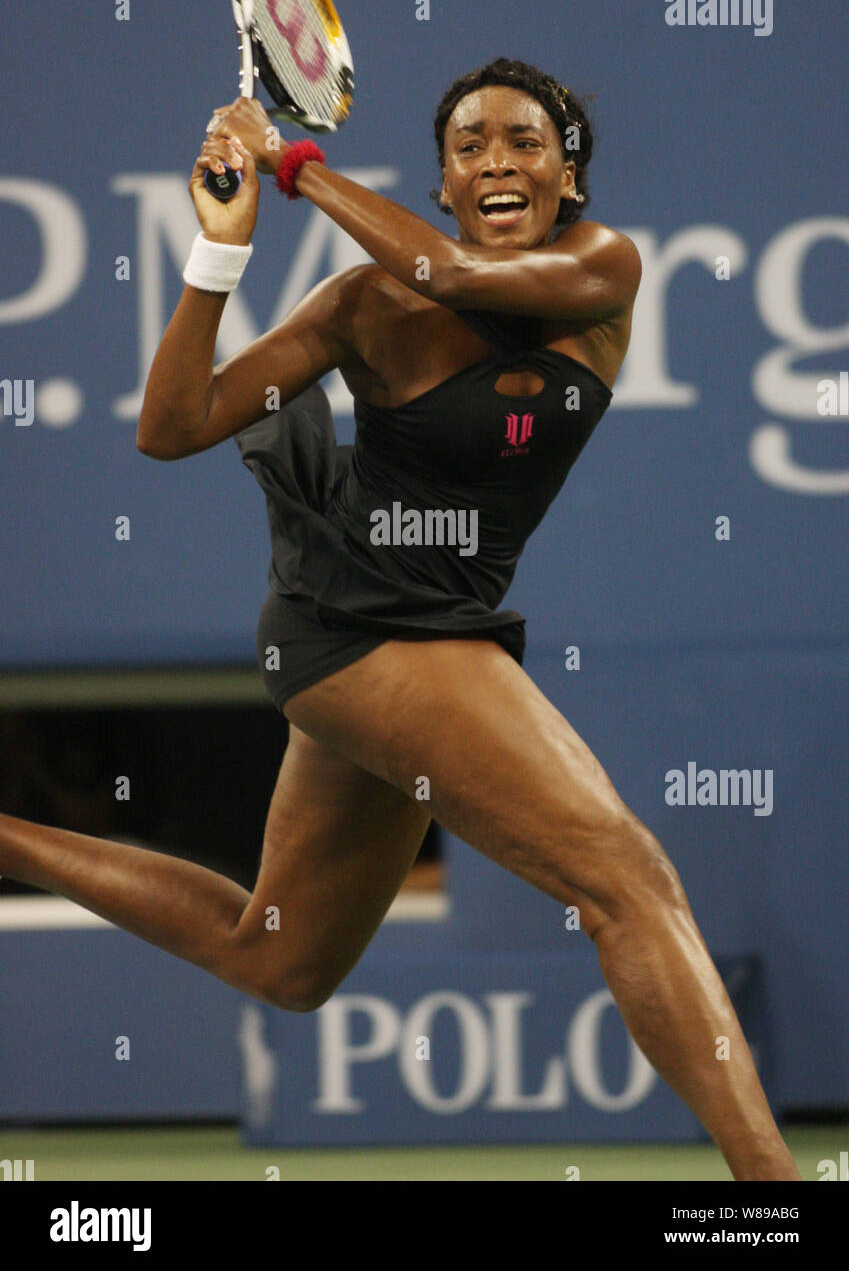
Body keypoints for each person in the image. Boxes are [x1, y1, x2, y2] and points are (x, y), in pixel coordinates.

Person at [0, 59, 800, 1180]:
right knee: (625, 877)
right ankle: (771, 1190)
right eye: (470, 147)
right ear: (442, 183)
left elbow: (461, 274)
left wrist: (302, 168)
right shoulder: (367, 305)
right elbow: (171, 425)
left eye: (524, 142)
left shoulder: (603, 267)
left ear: (569, 177)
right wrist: (221, 246)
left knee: (276, 958)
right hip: (361, 625)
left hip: (414, 635)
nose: (497, 161)